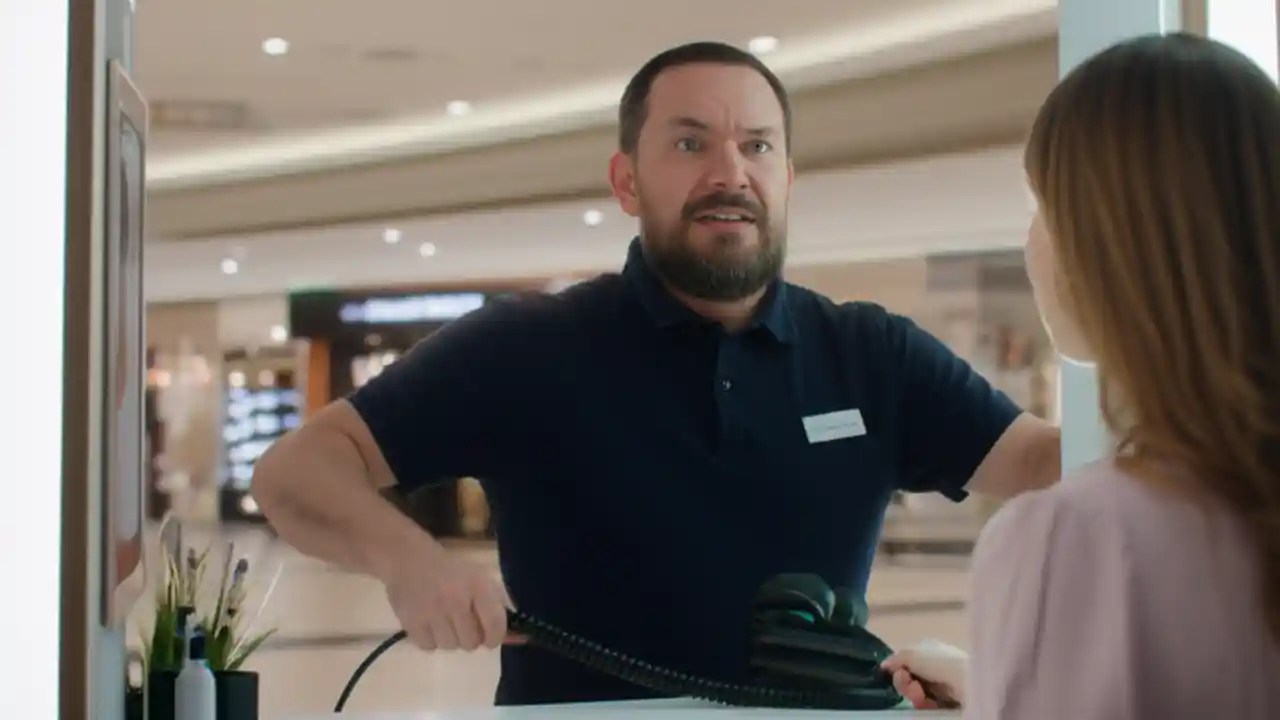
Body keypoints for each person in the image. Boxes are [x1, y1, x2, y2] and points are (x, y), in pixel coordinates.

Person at [252, 40, 1061, 706]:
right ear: (626, 181)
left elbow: (1046, 464)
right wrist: (411, 562)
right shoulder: (526, 347)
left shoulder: (873, 353)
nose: (729, 173)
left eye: (757, 146)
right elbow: (296, 472)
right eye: (689, 143)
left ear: (787, 178)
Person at [882, 33, 1280, 718]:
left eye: (1038, 208)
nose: (1029, 241)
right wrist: (997, 687)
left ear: (1103, 242)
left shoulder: (1078, 539)